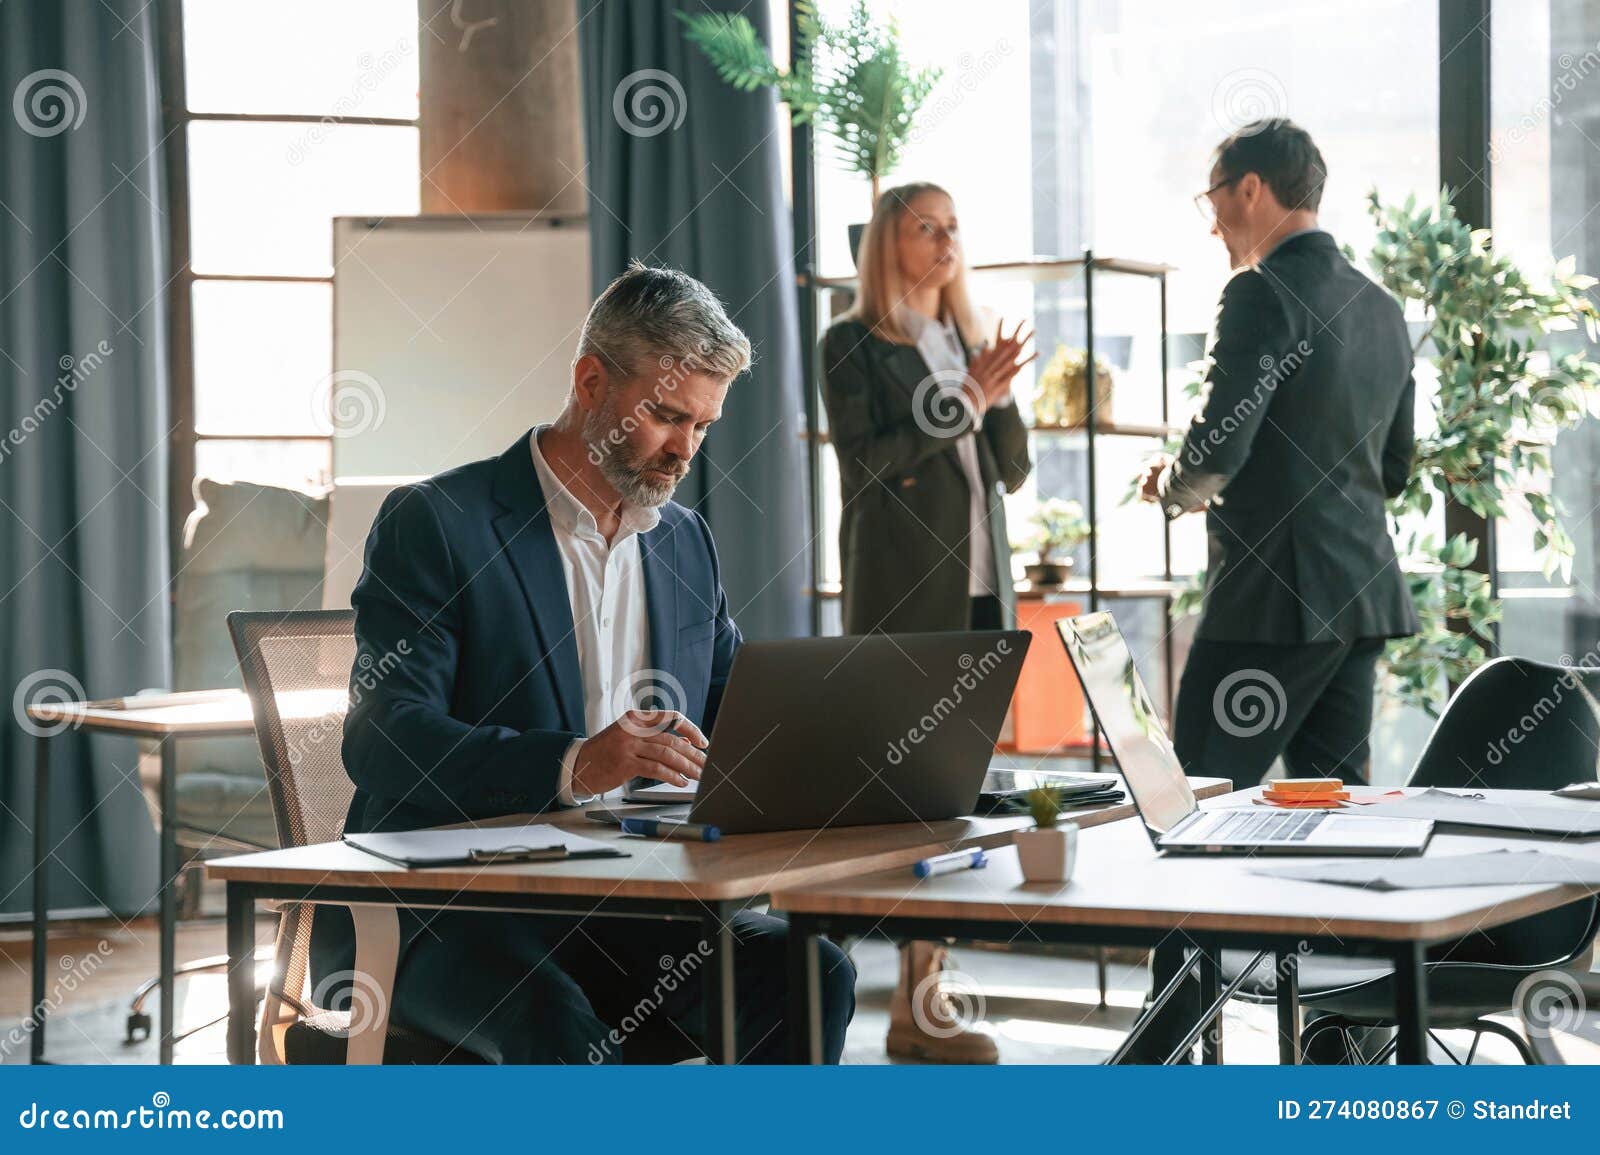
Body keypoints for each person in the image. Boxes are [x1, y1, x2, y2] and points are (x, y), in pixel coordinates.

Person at [319, 262, 857, 1064]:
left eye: (703, 425)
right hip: (444, 910)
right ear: (591, 382)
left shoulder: (683, 543)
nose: (684, 450)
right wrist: (577, 763)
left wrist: (847, 755)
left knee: (807, 973)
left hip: (629, 901)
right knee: (555, 1023)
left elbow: (732, 710)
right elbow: (383, 738)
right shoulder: (439, 522)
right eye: (667, 416)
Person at [1130, 118, 1417, 1063]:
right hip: (1361, 594)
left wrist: (1172, 487)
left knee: (1191, 806)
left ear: (1249, 189)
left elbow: (1222, 441)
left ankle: (1166, 1046)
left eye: (1212, 196)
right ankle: (1347, 1046)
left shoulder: (1258, 292)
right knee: (1339, 822)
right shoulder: (1379, 305)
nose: (1211, 219)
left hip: (1273, 597)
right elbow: (1399, 468)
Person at [820, 181, 1035, 1062]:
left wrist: (995, 387)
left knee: (954, 802)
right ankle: (914, 1002)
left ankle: (924, 999)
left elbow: (1012, 469)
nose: (946, 240)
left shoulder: (960, 338)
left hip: (982, 593)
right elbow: (867, 465)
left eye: (955, 227)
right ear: (887, 244)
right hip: (905, 593)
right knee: (910, 802)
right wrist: (965, 400)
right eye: (926, 228)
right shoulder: (852, 344)